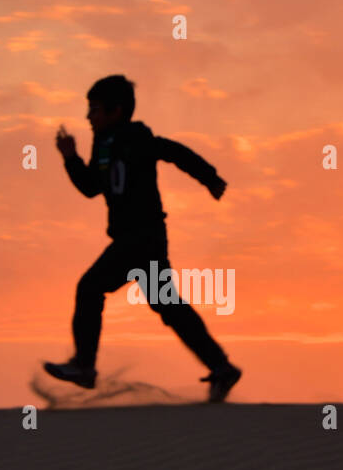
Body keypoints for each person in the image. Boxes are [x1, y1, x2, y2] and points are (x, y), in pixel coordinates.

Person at [44, 74, 242, 402]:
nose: (88, 117)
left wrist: (210, 178)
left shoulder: (136, 138)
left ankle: (84, 365)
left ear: (116, 111)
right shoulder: (104, 144)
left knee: (91, 287)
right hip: (136, 240)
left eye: (94, 109)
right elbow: (92, 187)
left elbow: (174, 151)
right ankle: (221, 367)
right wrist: (70, 158)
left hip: (141, 238)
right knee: (167, 305)